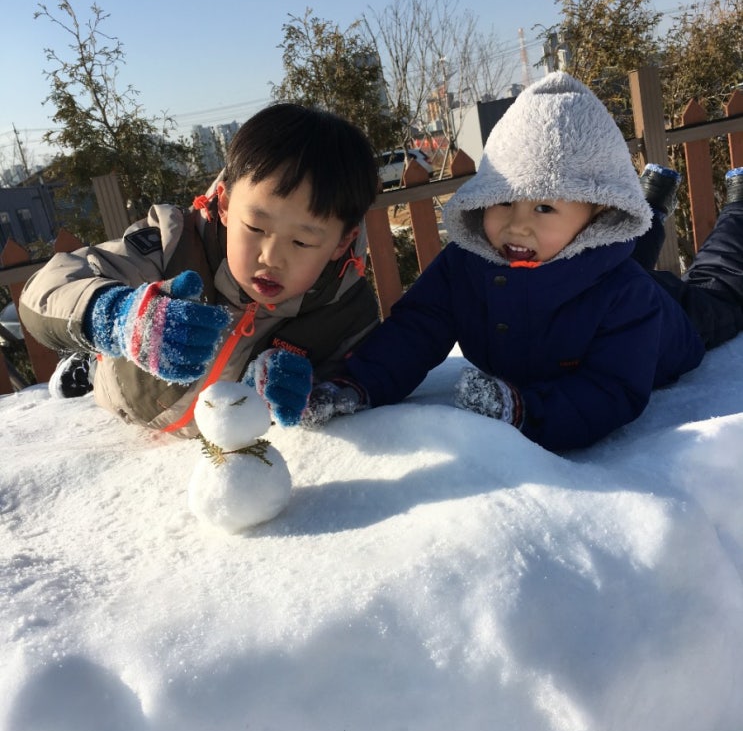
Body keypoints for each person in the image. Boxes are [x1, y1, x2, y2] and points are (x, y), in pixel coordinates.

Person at [253, 72, 743, 453]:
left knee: (717, 286)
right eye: (504, 202)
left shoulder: (628, 298)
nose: (517, 226)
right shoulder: (467, 266)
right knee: (618, 253)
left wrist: (527, 410)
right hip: (586, 263)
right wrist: (355, 385)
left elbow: (612, 390)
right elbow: (417, 328)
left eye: (544, 206)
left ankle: (733, 207)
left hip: (673, 323)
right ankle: (652, 205)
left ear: (598, 211)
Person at [18, 103, 381, 437]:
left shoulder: (345, 310)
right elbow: (45, 290)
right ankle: (88, 367)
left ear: (341, 243)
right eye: (255, 228)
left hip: (214, 442)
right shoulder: (173, 245)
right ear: (224, 204)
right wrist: (117, 317)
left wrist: (302, 392)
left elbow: (359, 380)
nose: (271, 256)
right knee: (102, 372)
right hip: (127, 398)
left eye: (301, 242)